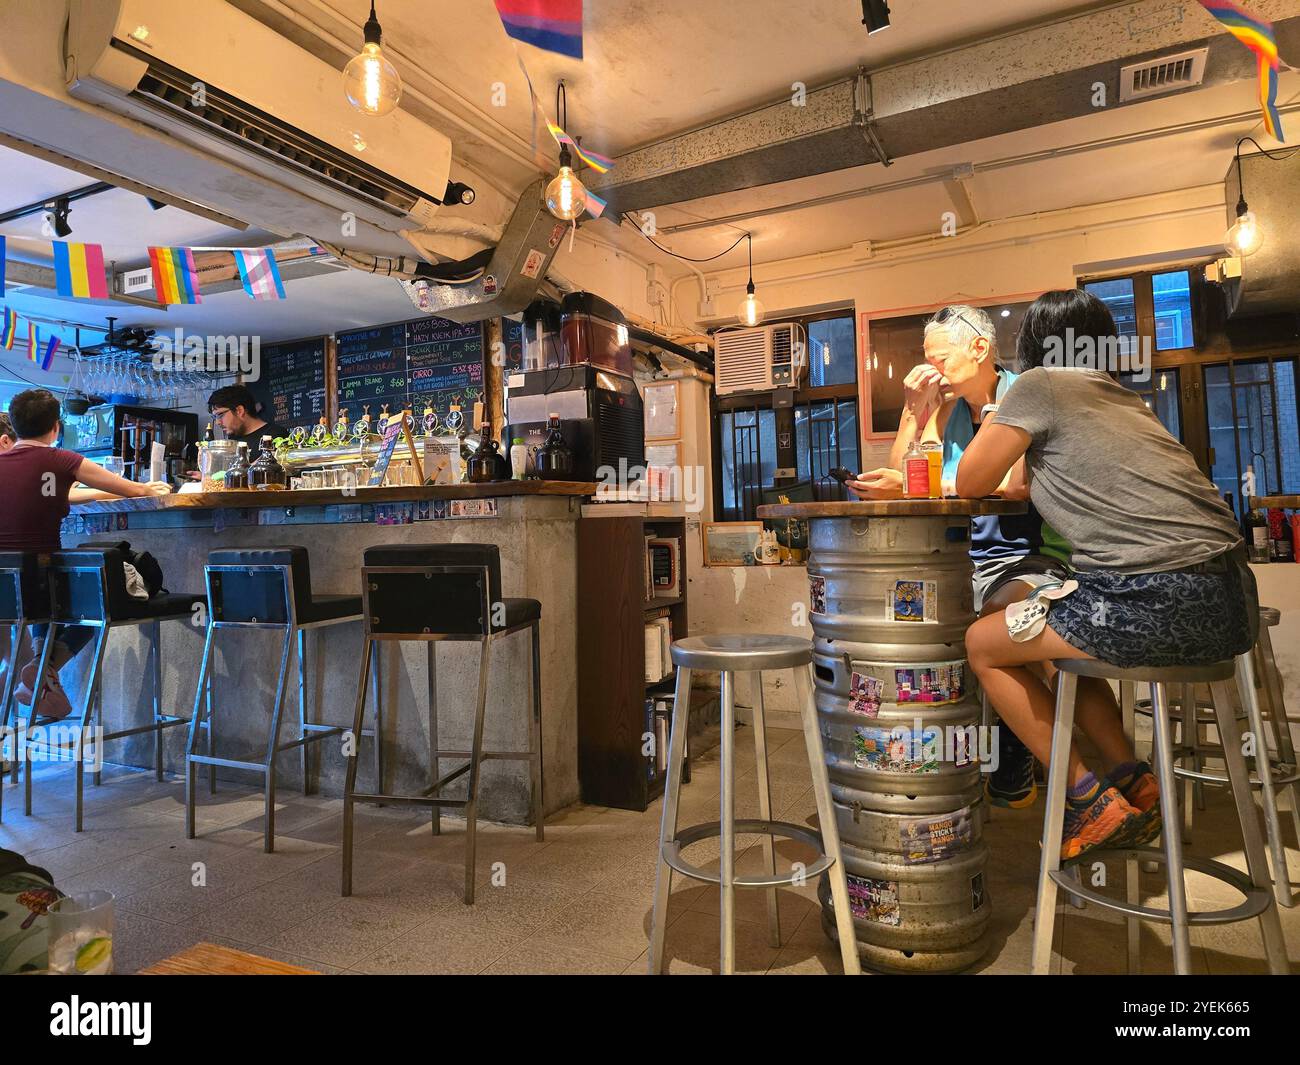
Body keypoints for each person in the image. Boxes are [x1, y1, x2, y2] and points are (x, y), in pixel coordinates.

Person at [955, 289, 1255, 862]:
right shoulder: (1123, 400)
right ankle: (1132, 780)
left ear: (1031, 346)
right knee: (1045, 640)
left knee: (983, 644)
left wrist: (999, 405)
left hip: (1157, 597)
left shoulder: (1040, 384)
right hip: (1231, 600)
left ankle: (1087, 801)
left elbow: (970, 481)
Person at [846, 304, 1070, 808]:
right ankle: (942, 769)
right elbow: (905, 473)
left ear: (979, 349)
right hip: (962, 559)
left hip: (1029, 556)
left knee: (1008, 620)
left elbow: (1014, 486)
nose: (932, 370)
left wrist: (917, 484)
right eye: (925, 359)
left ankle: (1039, 762)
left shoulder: (1020, 395)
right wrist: (914, 411)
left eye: (940, 358)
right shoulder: (944, 411)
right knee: (914, 628)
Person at [0, 389, 171, 719]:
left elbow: (57, 492)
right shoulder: (61, 460)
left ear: (16, 427)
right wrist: (151, 487)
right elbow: (132, 489)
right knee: (99, 599)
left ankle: (38, 677)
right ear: (55, 427)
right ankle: (45, 668)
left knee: (21, 638)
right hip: (37, 583)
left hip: (7, 584)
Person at [206, 385, 288, 450]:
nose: (217, 422)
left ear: (239, 410)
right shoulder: (233, 439)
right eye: (214, 417)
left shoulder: (276, 435)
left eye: (220, 415)